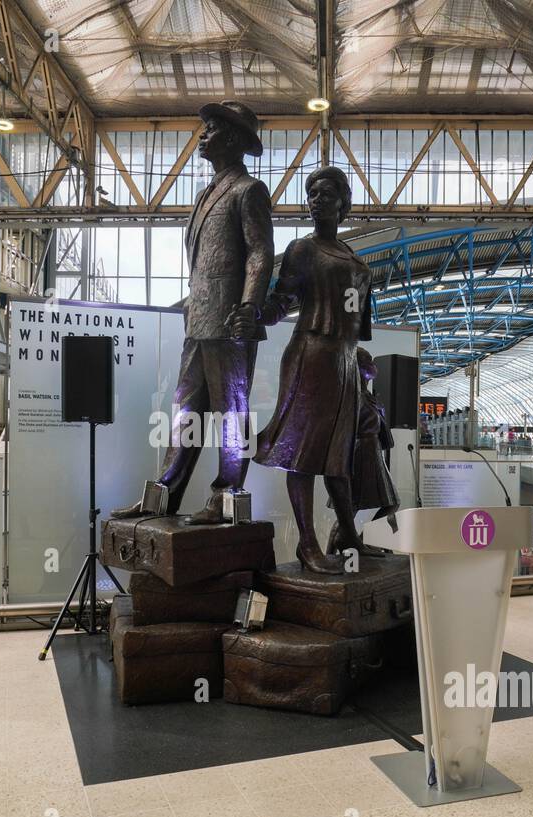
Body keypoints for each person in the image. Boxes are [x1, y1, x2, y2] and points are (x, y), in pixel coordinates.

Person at [111, 100, 273, 524]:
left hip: (230, 322)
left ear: (235, 139)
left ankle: (226, 499)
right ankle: (163, 495)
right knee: (185, 411)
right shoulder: (206, 195)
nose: (203, 134)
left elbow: (260, 252)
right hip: (199, 320)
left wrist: (250, 305)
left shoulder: (248, 190)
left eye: (213, 128)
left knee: (231, 414)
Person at [254, 166, 371, 574]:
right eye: (312, 193)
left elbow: (358, 326)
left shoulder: (358, 264)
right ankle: (308, 544)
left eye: (326, 193)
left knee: (338, 459)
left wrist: (356, 369)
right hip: (310, 354)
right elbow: (281, 300)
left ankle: (350, 539)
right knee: (301, 455)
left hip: (344, 362)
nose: (317, 199)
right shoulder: (302, 249)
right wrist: (257, 312)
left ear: (343, 202)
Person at [328, 347, 399, 556]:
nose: (373, 365)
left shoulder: (367, 395)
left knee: (391, 503)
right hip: (358, 454)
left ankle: (360, 540)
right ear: (356, 366)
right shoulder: (349, 394)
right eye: (368, 360)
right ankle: (332, 551)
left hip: (373, 452)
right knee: (348, 511)